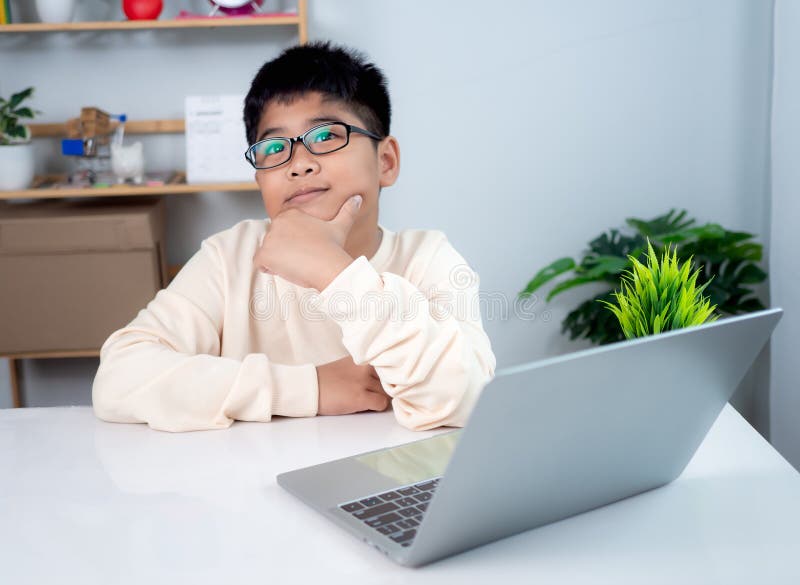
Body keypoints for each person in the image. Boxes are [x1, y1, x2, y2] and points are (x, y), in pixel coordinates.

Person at [92, 41, 496, 432]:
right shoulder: (230, 256)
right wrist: (311, 388)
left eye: (325, 137)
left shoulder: (426, 259)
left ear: (385, 161)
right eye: (272, 147)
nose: (298, 164)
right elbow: (119, 377)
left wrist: (332, 271)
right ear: (259, 178)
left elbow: (465, 398)